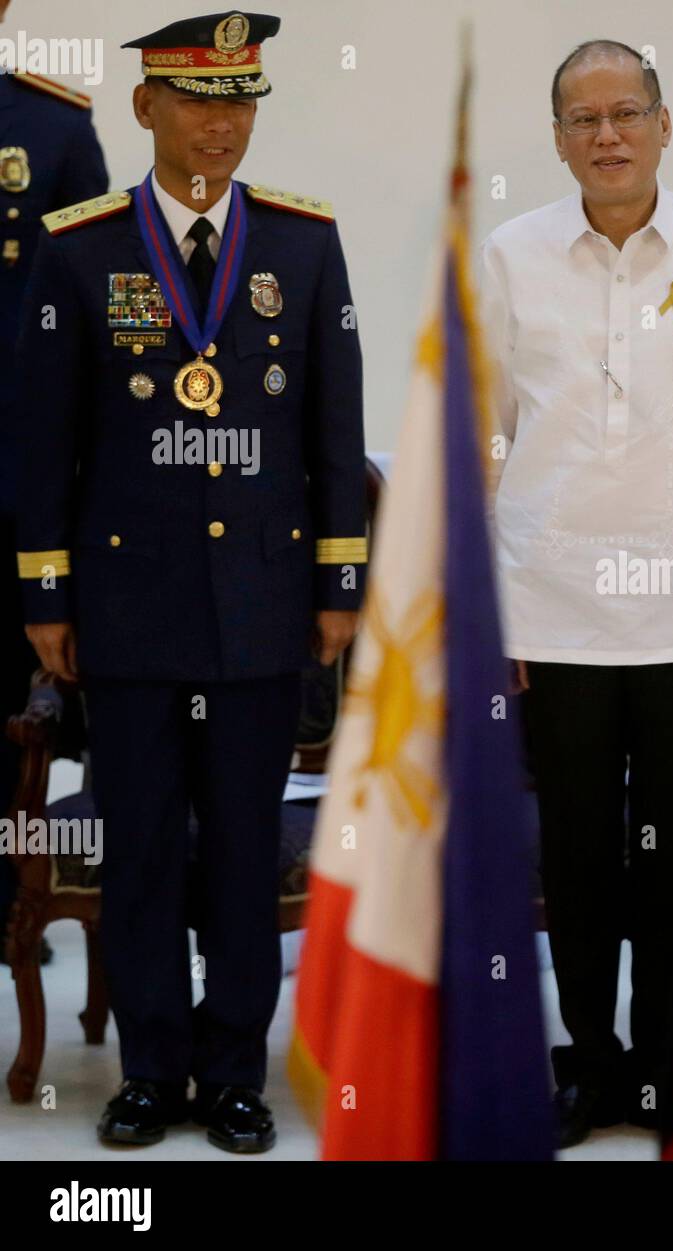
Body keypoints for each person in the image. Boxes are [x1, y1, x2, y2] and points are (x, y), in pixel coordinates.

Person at [14, 9, 368, 1152]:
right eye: (200, 102)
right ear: (145, 108)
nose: (222, 127)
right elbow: (42, 441)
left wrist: (338, 586)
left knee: (239, 848)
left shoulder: (305, 244)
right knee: (146, 849)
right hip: (127, 610)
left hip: (262, 608)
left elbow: (332, 431)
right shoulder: (82, 247)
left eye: (241, 103)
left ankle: (234, 1076)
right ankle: (150, 1073)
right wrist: (46, 597)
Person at [480, 39, 673, 1147]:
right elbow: (485, 437)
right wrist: (494, 607)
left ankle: (665, 1067)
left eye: (625, 114)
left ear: (663, 124)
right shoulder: (509, 254)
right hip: (553, 609)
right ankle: (589, 1062)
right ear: (555, 140)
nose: (606, 136)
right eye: (582, 120)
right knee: (580, 860)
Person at [0, 0, 109, 968]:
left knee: (15, 735)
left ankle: (11, 924)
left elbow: (103, 342)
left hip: (12, 502)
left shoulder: (53, 130)